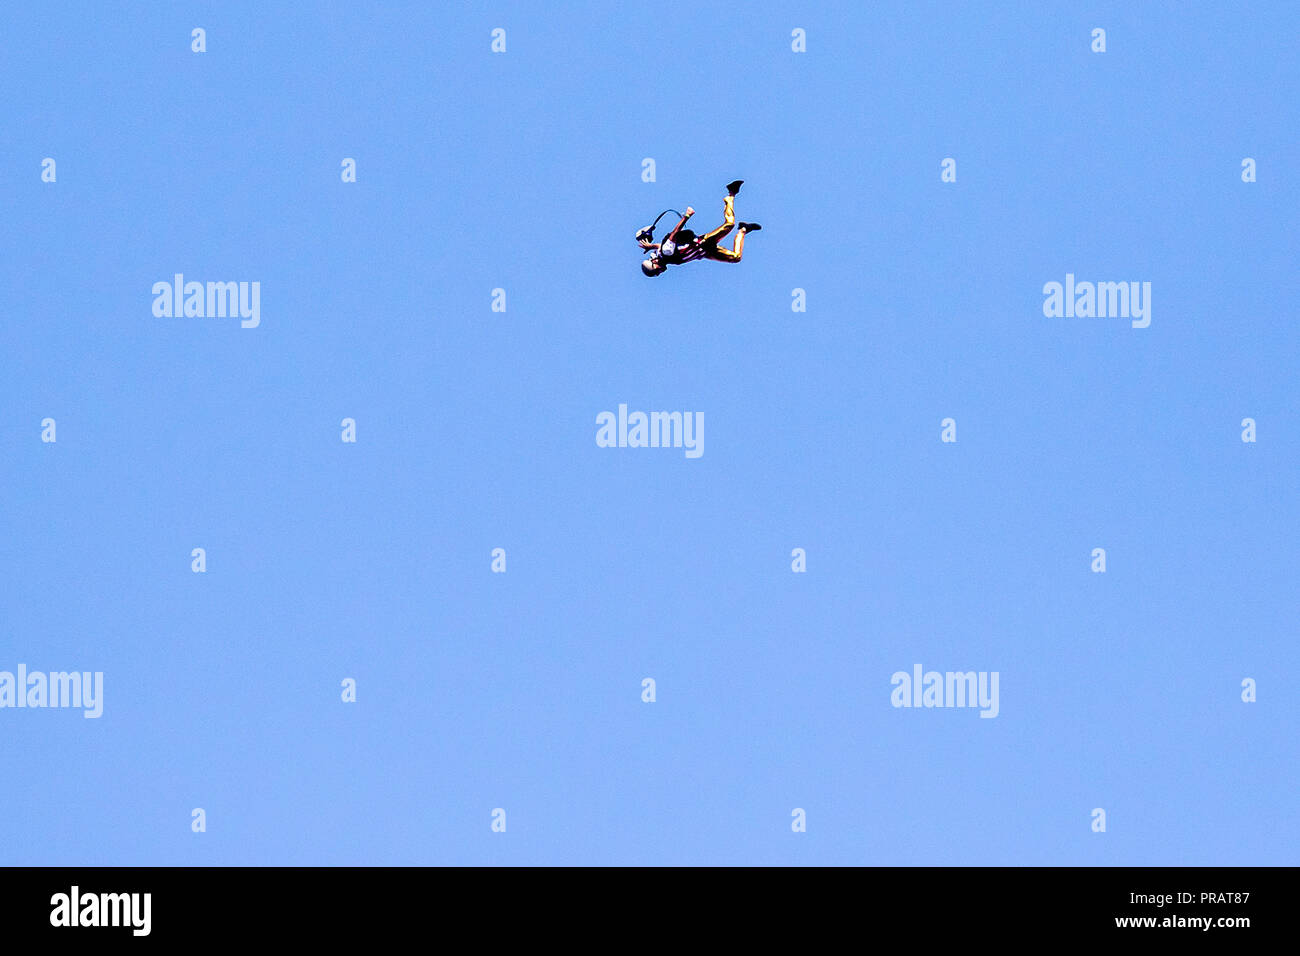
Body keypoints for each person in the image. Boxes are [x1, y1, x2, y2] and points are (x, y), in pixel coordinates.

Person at [638, 180, 762, 277]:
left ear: (654, 263)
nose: (660, 272)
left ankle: (730, 196)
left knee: (729, 224)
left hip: (703, 243)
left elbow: (674, 235)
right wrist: (651, 246)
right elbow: (662, 247)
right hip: (705, 252)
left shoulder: (666, 253)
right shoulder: (663, 254)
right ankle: (743, 229)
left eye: (657, 271)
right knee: (736, 258)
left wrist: (686, 216)